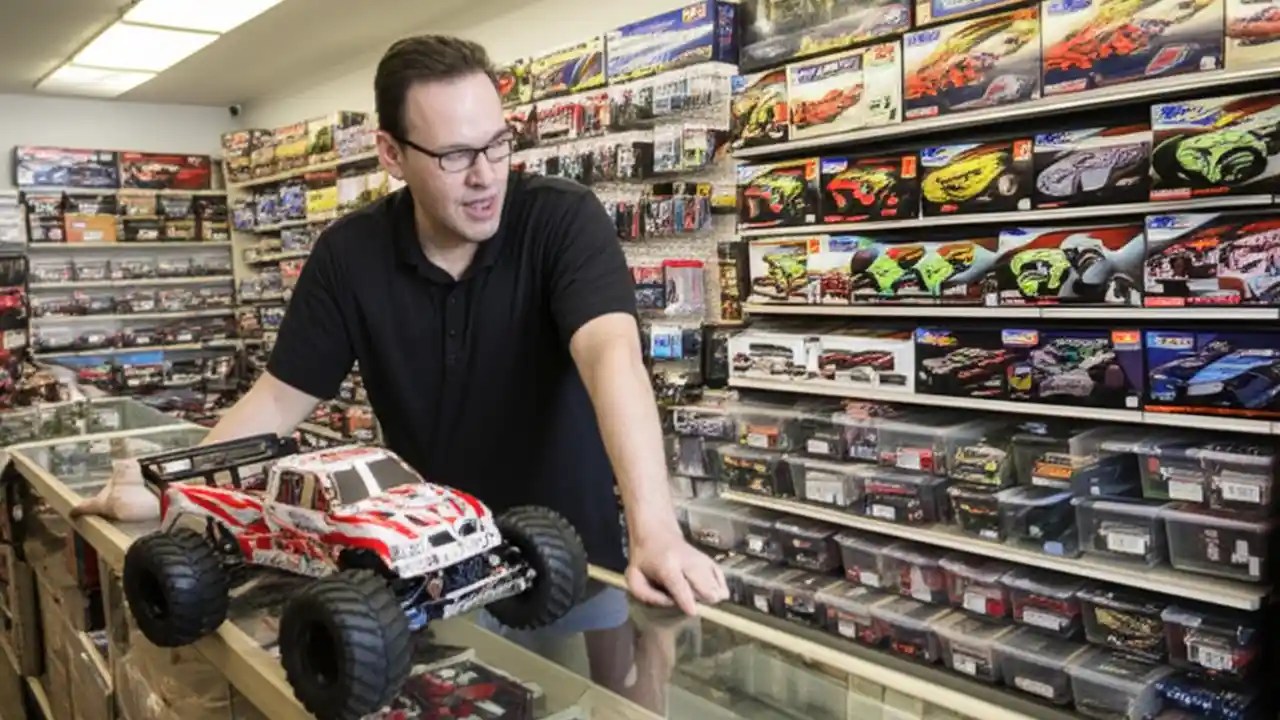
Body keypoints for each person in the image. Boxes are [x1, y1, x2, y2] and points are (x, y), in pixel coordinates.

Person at [197, 34, 724, 630]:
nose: (485, 177)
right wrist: (175, 487)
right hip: (432, 576)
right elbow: (276, 398)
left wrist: (656, 530)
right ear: (391, 154)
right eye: (454, 155)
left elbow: (613, 358)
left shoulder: (562, 218)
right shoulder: (349, 255)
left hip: (574, 569)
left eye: (497, 145)